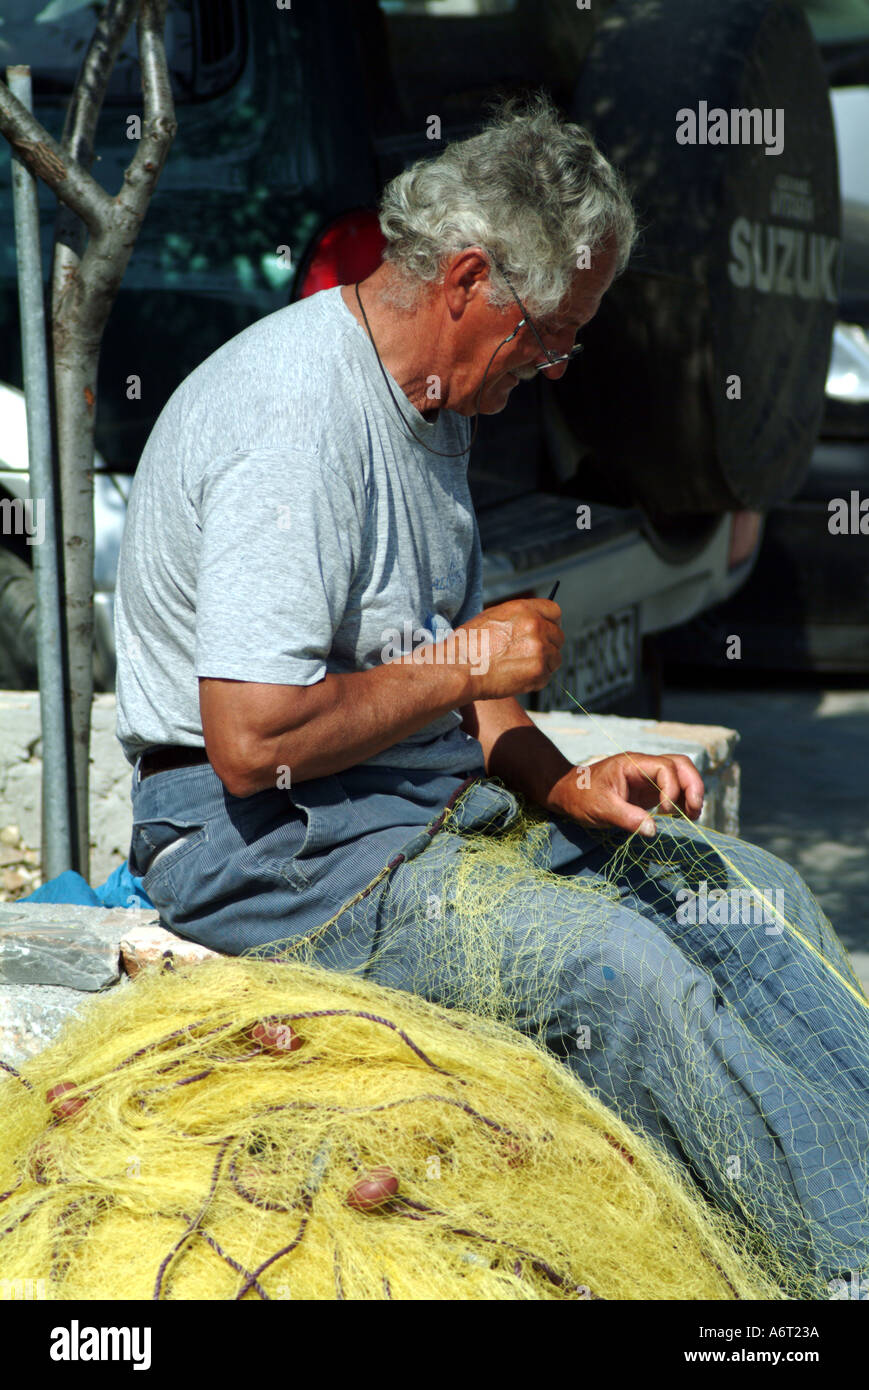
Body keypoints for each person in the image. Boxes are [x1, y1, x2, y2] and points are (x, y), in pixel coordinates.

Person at [114, 94, 868, 1287]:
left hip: (406, 816)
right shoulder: (297, 416)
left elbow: (463, 698)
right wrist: (468, 661)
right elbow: (254, 741)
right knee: (621, 977)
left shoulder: (436, 404)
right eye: (549, 335)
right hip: (276, 857)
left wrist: (560, 781)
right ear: (466, 279)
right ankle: (838, 1276)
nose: (553, 366)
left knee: (751, 897)